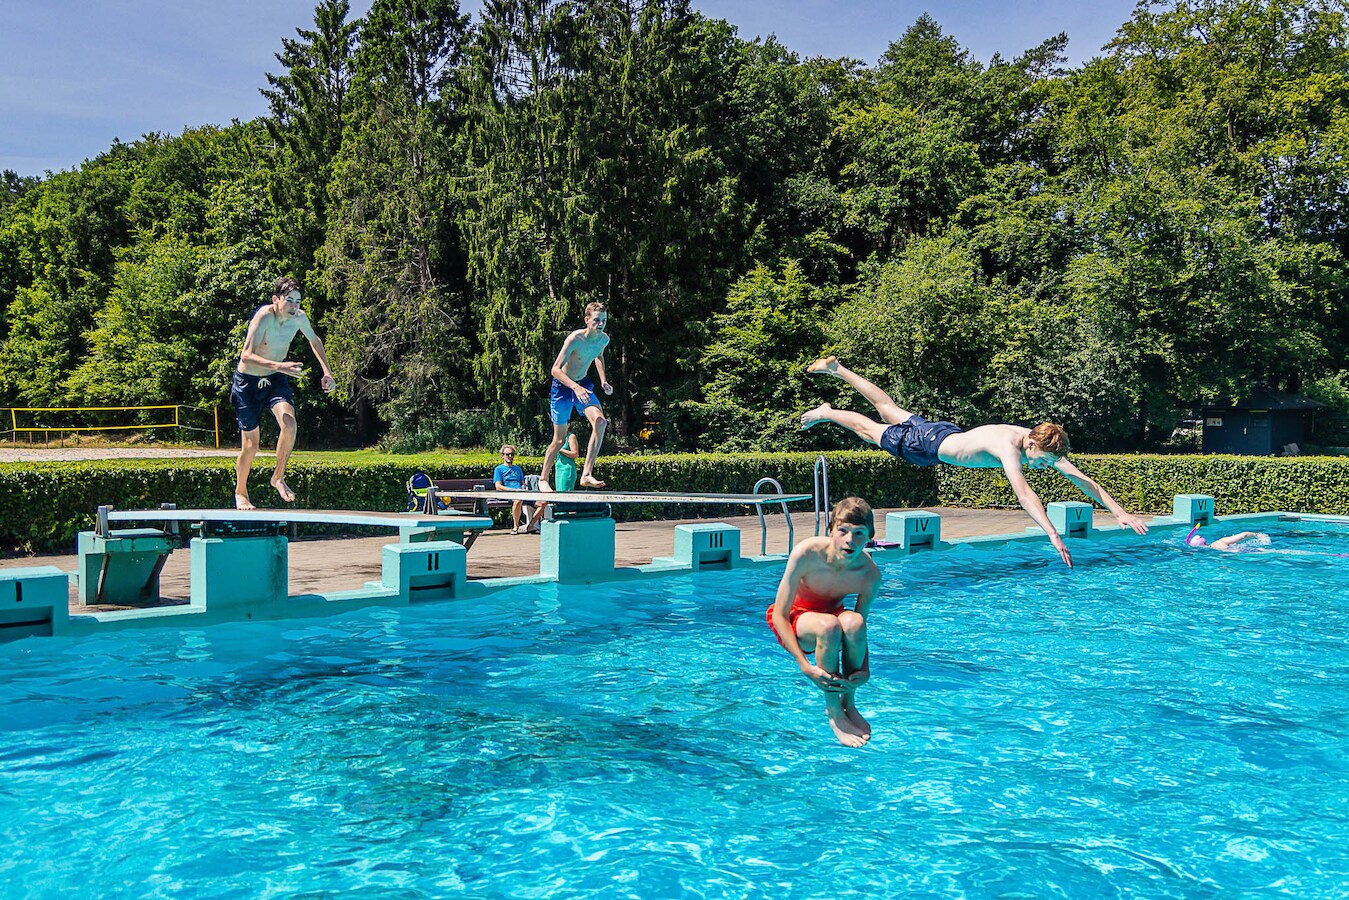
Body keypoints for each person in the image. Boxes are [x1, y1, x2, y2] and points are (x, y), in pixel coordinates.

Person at [802, 355, 1148, 567]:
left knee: (888, 407)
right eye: (1041, 462)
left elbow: (1083, 480)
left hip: (942, 433)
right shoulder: (1009, 447)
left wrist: (1119, 512)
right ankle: (829, 412)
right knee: (868, 428)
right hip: (927, 445)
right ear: (1030, 444)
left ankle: (838, 369)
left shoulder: (1040, 441)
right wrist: (1053, 534)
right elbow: (1025, 495)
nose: (1043, 467)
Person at [768, 497, 881, 748]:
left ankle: (848, 704)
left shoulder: (869, 575)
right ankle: (833, 711)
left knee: (853, 622)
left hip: (832, 617)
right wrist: (804, 665)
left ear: (869, 536)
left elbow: (862, 630)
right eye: (843, 531)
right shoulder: (807, 554)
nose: (850, 540)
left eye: (859, 533)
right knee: (829, 626)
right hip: (798, 619)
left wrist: (865, 669)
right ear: (830, 531)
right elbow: (779, 614)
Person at [232, 276, 335, 510]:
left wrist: (327, 372)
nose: (294, 306)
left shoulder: (299, 318)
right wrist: (280, 366)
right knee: (251, 446)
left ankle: (277, 477)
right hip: (247, 383)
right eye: (289, 300)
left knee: (289, 424)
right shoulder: (264, 316)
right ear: (276, 299)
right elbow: (245, 355)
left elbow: (315, 341)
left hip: (275, 380)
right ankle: (241, 492)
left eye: (298, 301)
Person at [540, 302, 613, 491]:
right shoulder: (575, 339)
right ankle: (543, 479)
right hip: (563, 386)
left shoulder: (603, 340)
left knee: (600, 422)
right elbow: (555, 370)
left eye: (603, 320)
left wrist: (603, 380)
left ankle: (587, 474)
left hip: (583, 384)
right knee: (559, 439)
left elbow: (599, 356)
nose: (600, 324)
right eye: (597, 320)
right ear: (587, 320)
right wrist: (574, 387)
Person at [528, 431, 579, 533]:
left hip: (567, 470)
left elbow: (575, 454)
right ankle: (561, 520)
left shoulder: (571, 437)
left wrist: (560, 449)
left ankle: (566, 521)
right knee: (559, 495)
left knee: (565, 496)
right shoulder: (557, 438)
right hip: (559, 468)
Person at [493, 444, 534, 534]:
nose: (510, 456)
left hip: (521, 493)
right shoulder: (498, 469)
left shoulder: (518, 469)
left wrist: (524, 487)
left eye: (512, 454)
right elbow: (498, 486)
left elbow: (522, 483)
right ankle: (516, 527)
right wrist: (513, 491)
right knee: (518, 500)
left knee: (543, 503)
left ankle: (531, 526)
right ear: (502, 456)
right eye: (507, 454)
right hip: (508, 494)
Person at [1185, 524, 1269, 551]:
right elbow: (1244, 535)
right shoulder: (1220, 542)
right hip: (1250, 551)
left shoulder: (1213, 550)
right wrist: (1257, 535)